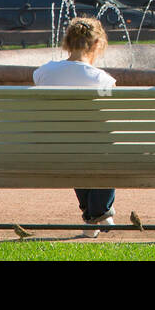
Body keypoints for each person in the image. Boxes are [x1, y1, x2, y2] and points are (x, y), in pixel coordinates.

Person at [33, 17, 118, 237]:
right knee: (103, 150)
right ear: (97, 44)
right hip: (92, 152)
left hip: (54, 150)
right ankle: (98, 212)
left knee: (75, 147)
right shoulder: (103, 80)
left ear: (67, 43)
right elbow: (111, 125)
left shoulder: (42, 72)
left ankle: (94, 214)